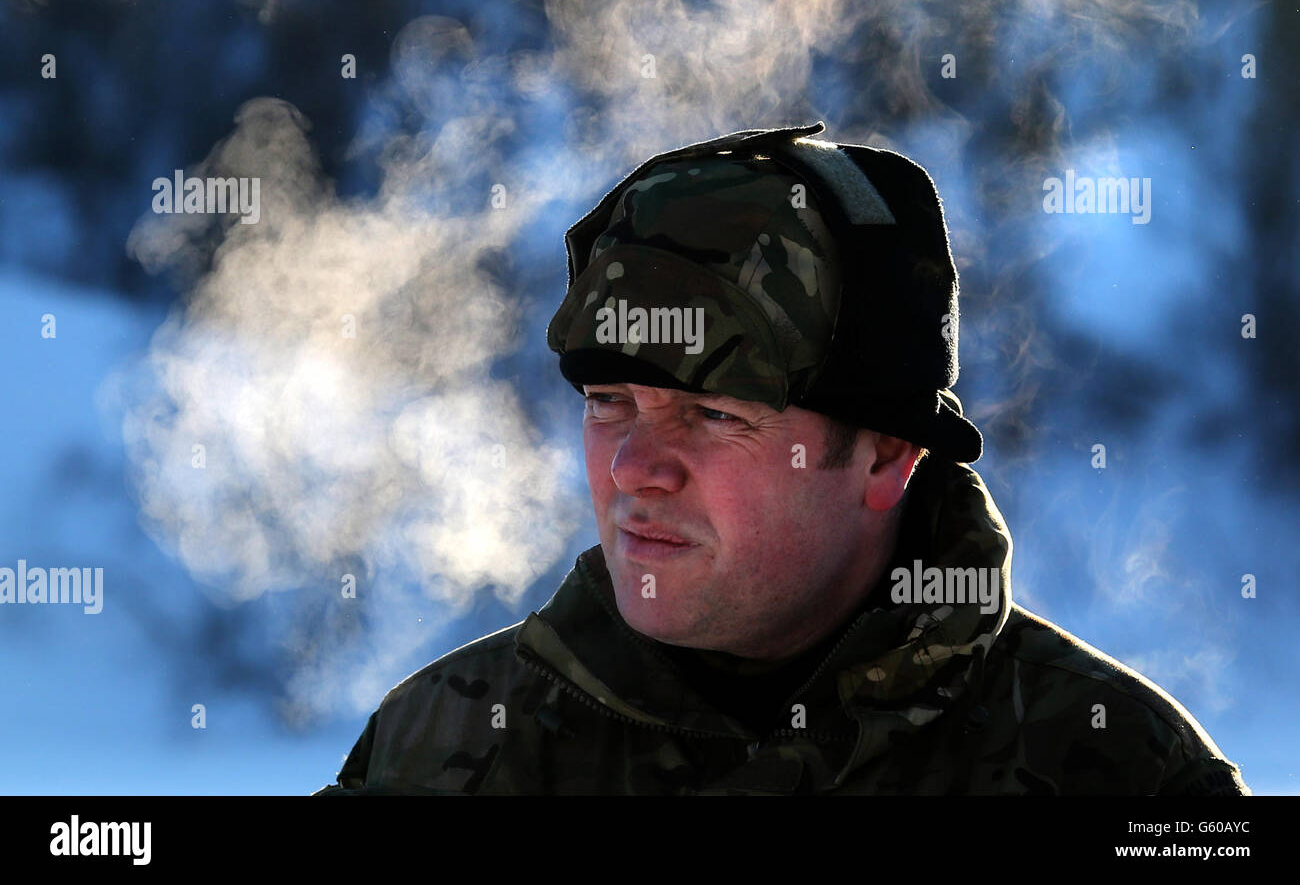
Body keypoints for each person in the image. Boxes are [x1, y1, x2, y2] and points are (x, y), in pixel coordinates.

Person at [314, 123, 1250, 795]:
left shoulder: (1122, 772)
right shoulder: (443, 748)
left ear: (887, 454)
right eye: (608, 403)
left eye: (714, 414)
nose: (636, 465)